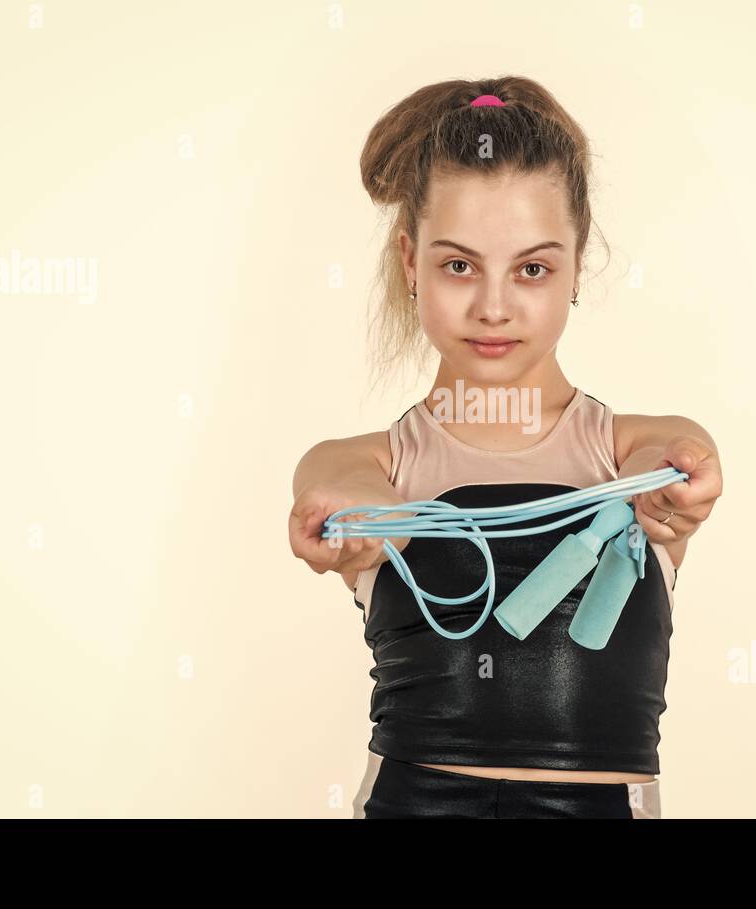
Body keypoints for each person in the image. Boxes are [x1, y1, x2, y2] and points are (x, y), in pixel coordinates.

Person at [288, 76, 722, 818]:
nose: (493, 305)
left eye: (532, 268)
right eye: (459, 265)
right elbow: (336, 479)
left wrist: (673, 477)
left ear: (576, 266)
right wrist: (352, 517)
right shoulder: (382, 467)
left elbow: (678, 451)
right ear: (409, 263)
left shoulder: (626, 460)